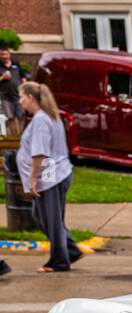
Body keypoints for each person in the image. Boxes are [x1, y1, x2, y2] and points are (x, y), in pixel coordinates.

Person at [17, 82, 79, 273]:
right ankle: (70, 249)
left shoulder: (41, 120)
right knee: (42, 216)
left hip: (50, 175)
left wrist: (33, 179)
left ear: (31, 98)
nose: (20, 101)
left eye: (22, 96)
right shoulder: (48, 117)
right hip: (53, 174)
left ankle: (59, 261)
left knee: (51, 220)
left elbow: (40, 153)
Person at [0, 47, 23, 133]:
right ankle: (15, 138)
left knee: (21, 116)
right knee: (10, 118)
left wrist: (24, 88)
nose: (4, 56)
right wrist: (3, 77)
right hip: (5, 96)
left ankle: (22, 136)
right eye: (2, 54)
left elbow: (23, 77)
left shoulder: (16, 64)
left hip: (19, 95)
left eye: (6, 54)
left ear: (9, 54)